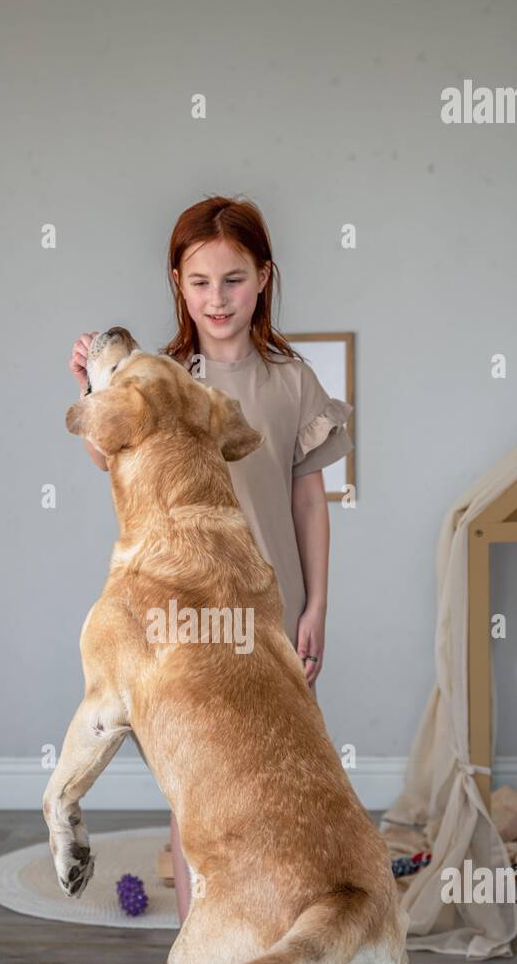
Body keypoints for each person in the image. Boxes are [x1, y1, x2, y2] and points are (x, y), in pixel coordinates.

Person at [69, 195, 353, 927]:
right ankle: (201, 942)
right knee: (196, 781)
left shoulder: (293, 382)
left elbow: (309, 503)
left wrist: (316, 606)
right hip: (187, 608)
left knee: (282, 774)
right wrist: (93, 392)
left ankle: (278, 936)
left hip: (271, 613)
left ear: (263, 278)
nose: (217, 298)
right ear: (178, 284)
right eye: (200, 282)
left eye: (233, 280)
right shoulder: (160, 377)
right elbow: (110, 457)